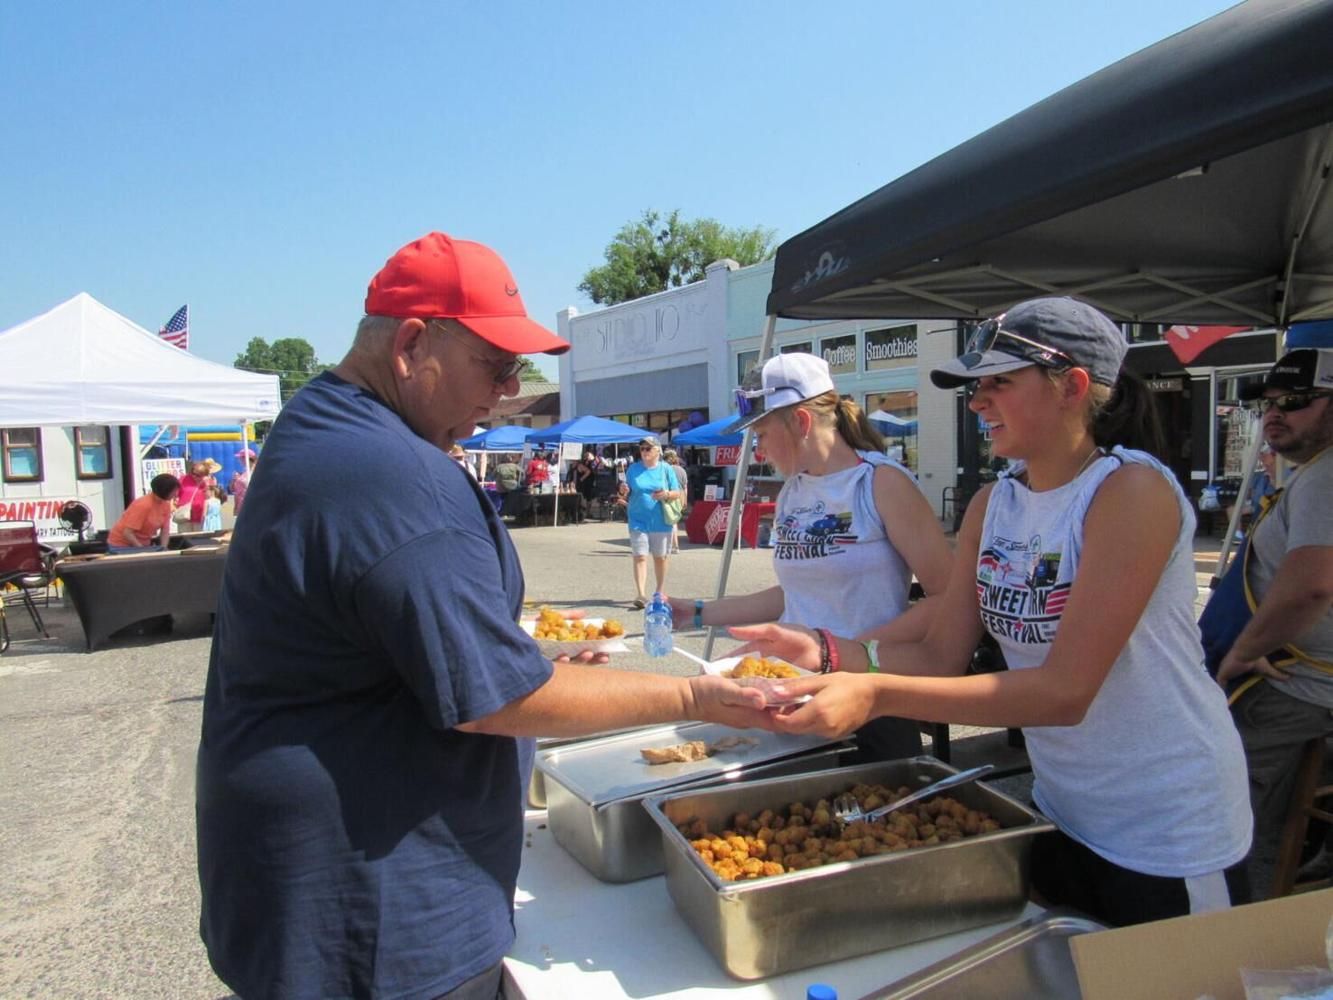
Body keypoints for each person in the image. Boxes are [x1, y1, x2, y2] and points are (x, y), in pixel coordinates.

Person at [194, 231, 766, 1000]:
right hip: (375, 907)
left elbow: (388, 642)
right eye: (494, 367)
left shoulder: (324, 424)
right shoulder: (392, 473)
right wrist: (696, 696)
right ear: (410, 345)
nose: (506, 389)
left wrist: (519, 657)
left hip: (314, 877)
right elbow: (495, 699)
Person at [730, 297, 1251, 927]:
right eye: (976, 387)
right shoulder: (993, 504)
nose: (977, 403)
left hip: (1168, 821)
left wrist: (871, 692)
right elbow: (939, 656)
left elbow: (1064, 692)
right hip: (1062, 805)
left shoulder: (1128, 490)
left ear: (1073, 387)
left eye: (999, 383)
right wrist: (824, 655)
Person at [669, 352, 952, 760]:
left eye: (762, 435)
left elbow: (947, 599)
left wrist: (839, 653)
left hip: (868, 698)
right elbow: (795, 592)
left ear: (801, 422)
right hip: (792, 695)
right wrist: (697, 612)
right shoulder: (793, 492)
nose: (758, 450)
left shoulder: (880, 484)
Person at [1217, 348, 1333, 899]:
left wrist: (1242, 651)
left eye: (1297, 401)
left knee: (1227, 813)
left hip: (1296, 684)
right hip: (1309, 678)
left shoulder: (1324, 477)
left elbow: (1312, 585)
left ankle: (1234, 936)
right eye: (1269, 404)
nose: (1275, 414)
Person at [625, 435, 684, 608]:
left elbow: (677, 492)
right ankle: (641, 594)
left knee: (660, 557)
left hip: (660, 520)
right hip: (638, 518)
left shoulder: (666, 469)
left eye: (648, 448)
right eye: (642, 448)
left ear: (658, 450)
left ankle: (659, 591)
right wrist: (623, 489)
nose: (644, 452)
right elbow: (626, 490)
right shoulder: (633, 469)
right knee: (640, 556)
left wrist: (664, 494)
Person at [107, 474, 179, 552]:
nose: (176, 494)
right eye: (174, 491)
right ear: (164, 490)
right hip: (122, 545)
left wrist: (163, 548)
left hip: (143, 544)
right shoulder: (143, 505)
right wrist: (143, 551)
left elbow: (165, 530)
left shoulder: (166, 505)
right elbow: (127, 533)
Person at [177, 459, 220, 531]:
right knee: (184, 538)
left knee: (198, 539)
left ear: (204, 475)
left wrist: (207, 483)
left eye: (199, 475)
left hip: (200, 515)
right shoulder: (183, 479)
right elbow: (175, 494)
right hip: (184, 515)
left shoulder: (207, 481)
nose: (195, 476)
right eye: (193, 473)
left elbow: (211, 498)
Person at [662, 447, 689, 553]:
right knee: (674, 522)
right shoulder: (682, 470)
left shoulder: (665, 469)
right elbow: (685, 486)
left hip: (670, 495)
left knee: (668, 521)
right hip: (681, 496)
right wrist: (685, 500)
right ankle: (675, 545)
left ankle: (670, 545)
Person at [230, 449, 257, 517]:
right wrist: (235, 480)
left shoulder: (256, 470)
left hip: (250, 505)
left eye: (241, 458)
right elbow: (232, 489)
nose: (240, 460)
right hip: (240, 505)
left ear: (246, 458)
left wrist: (240, 480)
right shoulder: (245, 472)